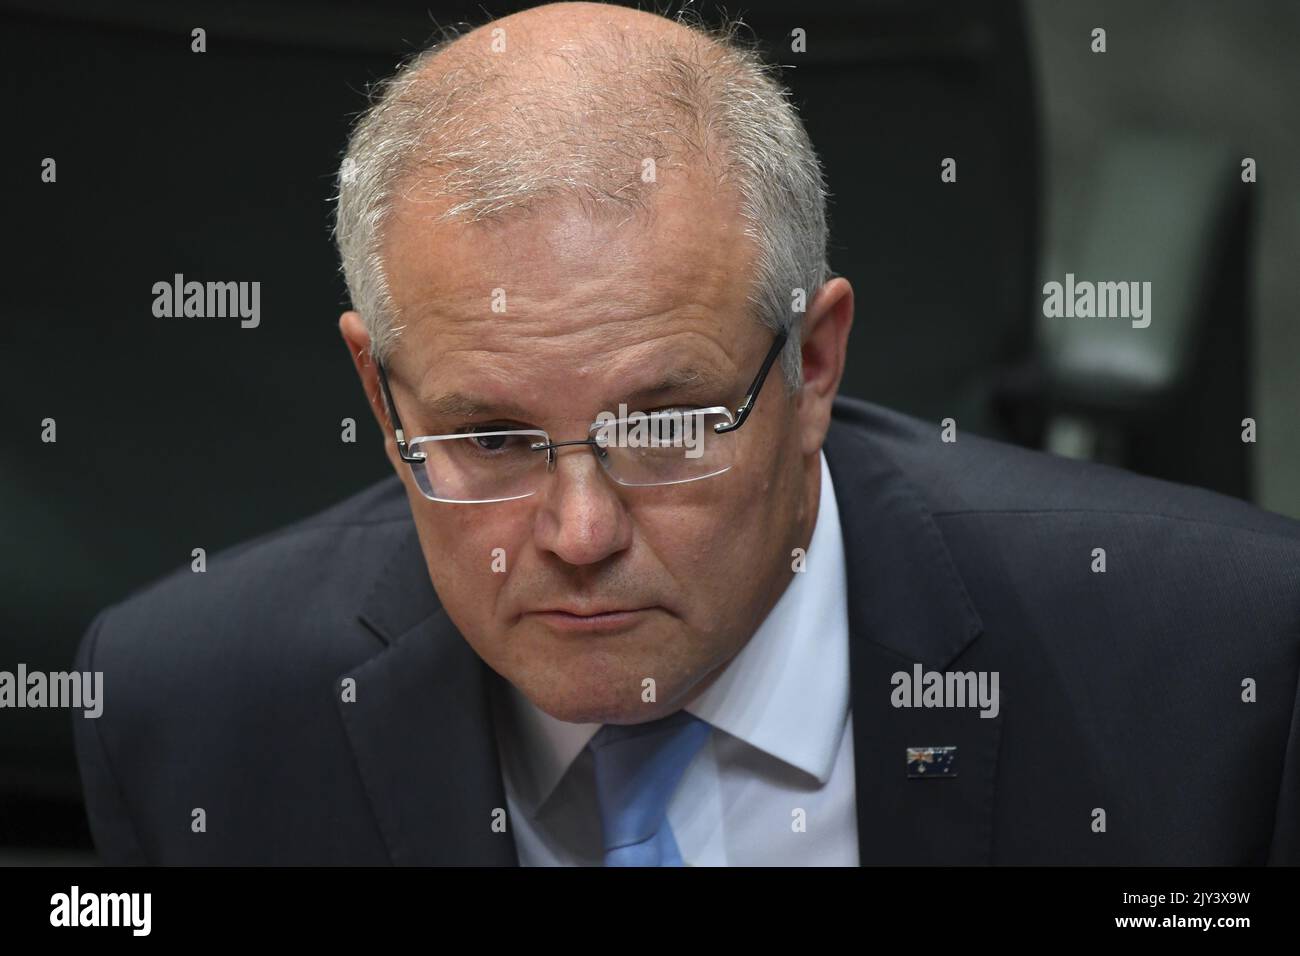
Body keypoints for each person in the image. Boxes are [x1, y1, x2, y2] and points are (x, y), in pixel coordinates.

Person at [74, 1, 1300, 866]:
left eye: (666, 423)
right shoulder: (186, 718)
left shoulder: (1223, 672)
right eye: (491, 438)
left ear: (812, 364)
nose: (579, 533)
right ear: (379, 389)